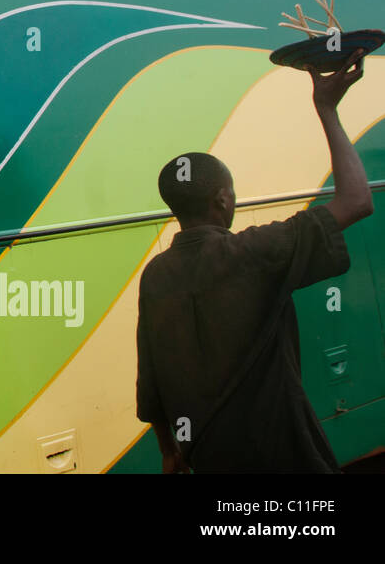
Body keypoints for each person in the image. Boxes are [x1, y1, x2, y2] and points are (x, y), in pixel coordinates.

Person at [136, 50, 373, 473]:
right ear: (223, 200)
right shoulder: (253, 252)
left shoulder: (156, 275)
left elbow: (151, 379)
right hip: (284, 453)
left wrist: (170, 451)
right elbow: (356, 201)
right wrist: (327, 109)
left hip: (208, 456)